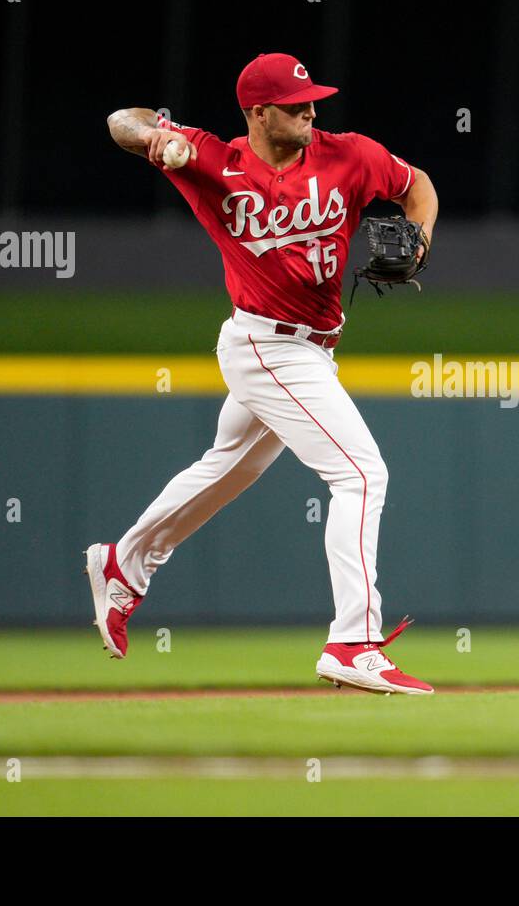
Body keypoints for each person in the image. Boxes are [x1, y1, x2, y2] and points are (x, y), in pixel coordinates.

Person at [85, 52, 438, 695]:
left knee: (228, 467)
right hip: (267, 347)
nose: (310, 112)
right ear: (256, 113)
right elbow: (120, 121)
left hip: (314, 347)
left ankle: (125, 562)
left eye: (313, 101)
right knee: (360, 473)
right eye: (295, 105)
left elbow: (418, 185)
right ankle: (352, 642)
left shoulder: (349, 154)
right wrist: (157, 137)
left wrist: (420, 236)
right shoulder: (212, 161)